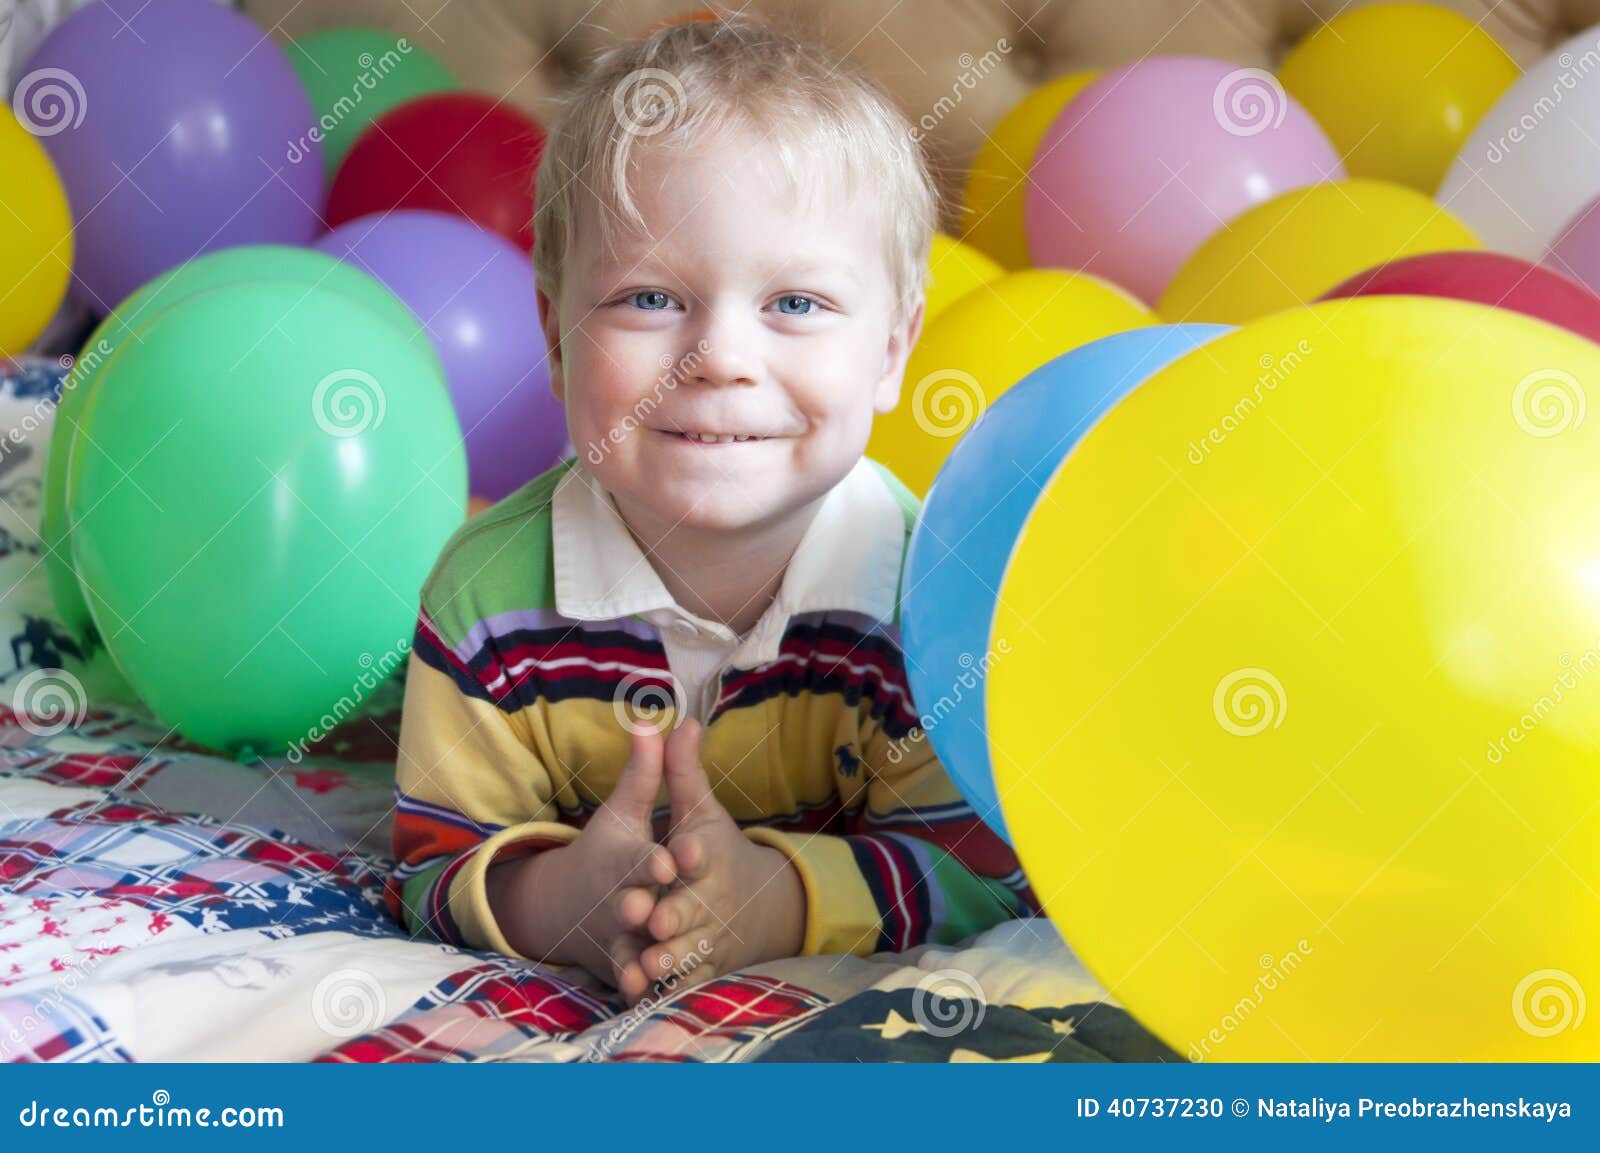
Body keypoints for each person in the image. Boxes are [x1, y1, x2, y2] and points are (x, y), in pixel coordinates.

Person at [388, 13, 1036, 1004]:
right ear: (557, 337)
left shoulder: (932, 597)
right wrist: (564, 896)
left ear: (895, 351)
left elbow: (976, 870)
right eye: (651, 299)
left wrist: (777, 898)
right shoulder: (485, 599)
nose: (721, 357)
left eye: (797, 304)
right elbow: (434, 867)